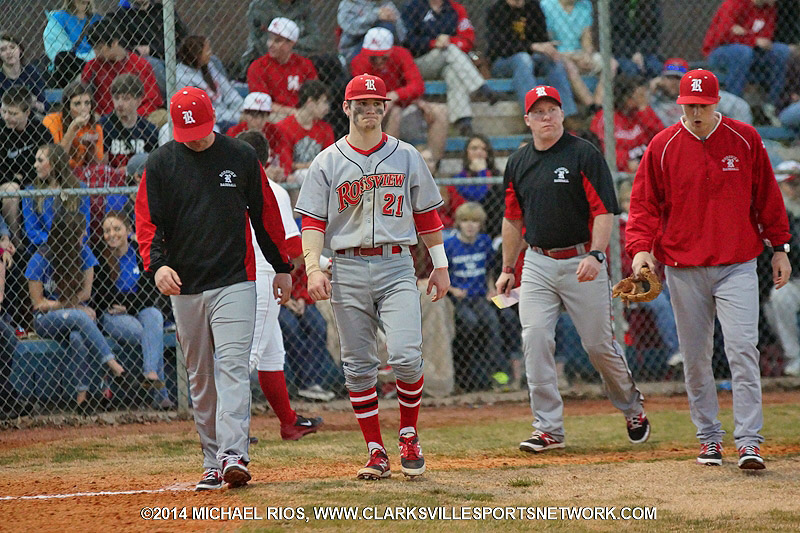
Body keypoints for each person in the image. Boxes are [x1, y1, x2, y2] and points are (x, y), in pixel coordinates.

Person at [625, 69, 791, 470]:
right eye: (689, 105)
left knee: (742, 350)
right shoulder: (662, 146)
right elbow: (644, 206)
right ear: (680, 104)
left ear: (716, 102)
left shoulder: (745, 138)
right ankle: (710, 439)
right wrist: (640, 250)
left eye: (702, 104)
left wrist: (780, 247)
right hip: (683, 266)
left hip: (737, 263)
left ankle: (749, 441)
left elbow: (768, 196)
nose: (695, 111)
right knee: (696, 357)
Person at [135, 86, 292, 491]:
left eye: (202, 130)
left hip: (234, 279)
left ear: (214, 121)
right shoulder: (162, 162)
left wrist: (282, 267)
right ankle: (210, 460)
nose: (197, 139)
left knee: (233, 367)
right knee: (201, 376)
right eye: (189, 133)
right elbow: (148, 222)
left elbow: (266, 215)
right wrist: (157, 266)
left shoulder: (240, 156)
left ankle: (233, 454)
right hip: (185, 285)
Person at [296, 74, 450, 479]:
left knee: (404, 355)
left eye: (375, 103)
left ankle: (409, 434)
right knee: (359, 365)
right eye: (361, 103)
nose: (369, 110)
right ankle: (375, 450)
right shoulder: (327, 160)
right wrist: (313, 268)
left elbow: (427, 215)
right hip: (345, 264)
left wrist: (440, 263)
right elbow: (311, 222)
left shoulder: (406, 155)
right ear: (346, 108)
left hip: (397, 263)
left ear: (385, 108)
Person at [495, 85, 650, 454]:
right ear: (527, 120)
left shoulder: (583, 153)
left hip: (582, 259)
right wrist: (507, 268)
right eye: (538, 111)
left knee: (598, 346)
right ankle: (548, 428)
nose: (546, 117)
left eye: (552, 110)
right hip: (537, 261)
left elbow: (603, 210)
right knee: (534, 339)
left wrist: (596, 255)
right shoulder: (518, 162)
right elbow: (513, 219)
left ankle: (632, 408)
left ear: (562, 114)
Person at [235, 130, 325, 440]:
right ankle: (229, 432)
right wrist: (323, 264)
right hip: (263, 277)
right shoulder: (271, 188)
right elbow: (291, 246)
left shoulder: (228, 186)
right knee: (246, 358)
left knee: (272, 354)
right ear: (267, 158)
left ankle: (289, 422)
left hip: (238, 275)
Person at [25, 210, 126, 412]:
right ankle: (113, 364)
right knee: (81, 316)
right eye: (80, 234)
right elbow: (38, 304)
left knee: (77, 337)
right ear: (68, 235)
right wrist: (70, 306)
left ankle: (82, 401)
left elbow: (86, 293)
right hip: (45, 320)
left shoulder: (84, 253)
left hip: (72, 317)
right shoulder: (41, 257)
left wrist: (68, 306)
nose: (84, 238)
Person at [94, 211, 172, 409]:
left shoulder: (139, 252)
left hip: (136, 309)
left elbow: (149, 292)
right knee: (148, 335)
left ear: (128, 230)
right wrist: (129, 302)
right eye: (107, 231)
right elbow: (104, 298)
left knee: (154, 316)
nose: (112, 234)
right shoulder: (100, 257)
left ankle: (150, 373)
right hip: (112, 316)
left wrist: (128, 305)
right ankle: (161, 396)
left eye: (117, 229)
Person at [401, 0, 499, 136]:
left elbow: (466, 39)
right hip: (419, 63)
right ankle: (480, 87)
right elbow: (406, 41)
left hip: (446, 61)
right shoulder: (413, 8)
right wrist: (432, 43)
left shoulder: (453, 9)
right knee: (450, 50)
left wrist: (447, 41)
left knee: (453, 71)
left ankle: (463, 121)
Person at [350, 27, 448, 162]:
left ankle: (432, 166)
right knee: (395, 111)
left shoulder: (401, 54)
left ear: (390, 51)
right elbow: (365, 95)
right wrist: (393, 99)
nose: (378, 62)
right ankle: (385, 167)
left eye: (383, 58)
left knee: (440, 111)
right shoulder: (359, 61)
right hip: (375, 113)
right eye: (374, 58)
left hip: (404, 107)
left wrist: (395, 96)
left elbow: (417, 85)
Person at [444, 202, 505, 391]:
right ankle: (466, 375)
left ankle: (493, 372)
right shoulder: (450, 245)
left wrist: (491, 289)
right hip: (459, 298)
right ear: (458, 223)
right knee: (469, 322)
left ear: (481, 225)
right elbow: (441, 273)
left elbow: (489, 270)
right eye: (465, 221)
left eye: (475, 222)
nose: (470, 226)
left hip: (479, 296)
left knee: (492, 321)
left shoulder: (485, 242)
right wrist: (453, 290)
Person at [485, 0, 578, 117]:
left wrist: (547, 47)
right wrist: (532, 46)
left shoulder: (533, 7)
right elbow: (501, 47)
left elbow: (541, 38)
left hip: (532, 58)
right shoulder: (496, 10)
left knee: (552, 59)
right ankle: (533, 115)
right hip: (503, 62)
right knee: (523, 59)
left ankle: (567, 114)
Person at [703, 0, 790, 112]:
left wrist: (745, 35)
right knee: (743, 52)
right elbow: (723, 36)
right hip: (719, 52)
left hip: (752, 51)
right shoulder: (735, 3)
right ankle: (734, 105)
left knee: (782, 50)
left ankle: (772, 105)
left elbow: (767, 37)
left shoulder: (769, 8)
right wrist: (753, 39)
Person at [0, 87, 53, 245]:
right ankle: (17, 244)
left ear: (27, 113)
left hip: (34, 180)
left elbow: (50, 162)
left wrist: (22, 177)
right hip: (7, 184)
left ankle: (47, 241)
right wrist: (16, 178)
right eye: (4, 111)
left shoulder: (40, 131)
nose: (7, 117)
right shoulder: (1, 130)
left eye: (14, 114)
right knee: (12, 191)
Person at [761, 161, 800, 377]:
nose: (796, 189)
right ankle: (795, 357)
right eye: (791, 184)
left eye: (798, 184)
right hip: (793, 280)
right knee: (777, 299)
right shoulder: (777, 214)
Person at [82, 19, 164, 121]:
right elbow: (83, 98)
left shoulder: (140, 64)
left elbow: (152, 100)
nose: (96, 53)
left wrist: (133, 117)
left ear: (114, 43)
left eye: (99, 48)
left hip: (138, 117)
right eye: (94, 48)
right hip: (105, 120)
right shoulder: (92, 66)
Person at [246, 17, 318, 123]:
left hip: (302, 114)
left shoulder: (305, 64)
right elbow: (261, 104)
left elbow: (315, 94)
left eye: (277, 41)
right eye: (270, 39)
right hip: (273, 115)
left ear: (291, 43)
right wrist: (294, 112)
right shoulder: (258, 66)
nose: (270, 44)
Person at [590, 75, 664, 173]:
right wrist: (625, 163)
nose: (642, 99)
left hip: (648, 161)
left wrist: (644, 110)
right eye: (639, 95)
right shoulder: (605, 117)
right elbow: (602, 148)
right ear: (626, 97)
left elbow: (661, 135)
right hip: (621, 169)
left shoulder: (643, 113)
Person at [650, 58, 754, 127]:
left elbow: (741, 107)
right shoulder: (654, 99)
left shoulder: (700, 95)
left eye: (678, 78)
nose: (674, 83)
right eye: (669, 78)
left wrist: (739, 134)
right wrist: (650, 91)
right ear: (662, 80)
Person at [22, 143, 90, 247]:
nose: (35, 165)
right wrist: (56, 242)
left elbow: (85, 225)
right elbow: (32, 231)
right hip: (45, 246)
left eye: (40, 160)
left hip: (75, 245)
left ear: (54, 163)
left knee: (89, 258)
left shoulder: (80, 188)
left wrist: (70, 242)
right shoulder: (30, 192)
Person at [175, 36, 244, 130]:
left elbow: (230, 92)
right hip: (211, 121)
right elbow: (203, 113)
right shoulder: (182, 77)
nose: (210, 53)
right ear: (196, 54)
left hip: (227, 113)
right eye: (207, 50)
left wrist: (245, 110)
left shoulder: (209, 66)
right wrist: (237, 117)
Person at [276, 80, 334, 182]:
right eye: (324, 102)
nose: (327, 108)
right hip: (295, 177)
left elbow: (330, 162)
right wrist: (310, 165)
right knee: (300, 175)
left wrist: (302, 166)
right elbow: (287, 165)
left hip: (318, 174)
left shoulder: (326, 129)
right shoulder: (284, 127)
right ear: (310, 103)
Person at [226, 92, 292, 180]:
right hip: (244, 178)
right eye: (253, 115)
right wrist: (262, 173)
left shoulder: (274, 131)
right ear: (245, 114)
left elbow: (285, 155)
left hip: (272, 175)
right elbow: (230, 162)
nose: (258, 121)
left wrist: (283, 172)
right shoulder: (234, 132)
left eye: (263, 116)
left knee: (292, 179)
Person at [99, 73, 158, 170]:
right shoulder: (103, 126)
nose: (120, 104)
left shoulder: (149, 131)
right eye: (116, 98)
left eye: (126, 98)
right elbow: (101, 166)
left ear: (138, 100)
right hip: (111, 181)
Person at [43, 80, 103, 169]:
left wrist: (91, 148)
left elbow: (96, 166)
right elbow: (56, 161)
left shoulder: (95, 128)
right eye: (77, 104)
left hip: (81, 174)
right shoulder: (51, 120)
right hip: (58, 173)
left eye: (87, 103)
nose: (83, 108)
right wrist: (73, 129)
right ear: (67, 107)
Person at [42, 0, 103, 86]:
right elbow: (58, 51)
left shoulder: (98, 19)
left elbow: (105, 48)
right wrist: (89, 58)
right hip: (72, 66)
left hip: (96, 63)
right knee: (64, 58)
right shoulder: (59, 18)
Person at [338, 0, 407, 64]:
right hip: (355, 47)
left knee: (386, 26)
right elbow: (349, 27)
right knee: (381, 27)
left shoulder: (385, 3)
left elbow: (402, 34)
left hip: (386, 50)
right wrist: (376, 15)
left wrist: (393, 21)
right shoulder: (349, 3)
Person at [610, 0, 663, 79]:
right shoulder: (615, 4)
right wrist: (631, 54)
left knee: (656, 67)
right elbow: (615, 37)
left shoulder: (652, 4)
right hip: (621, 52)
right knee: (630, 69)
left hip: (645, 51)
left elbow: (654, 36)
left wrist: (641, 52)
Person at [0, 33, 46, 114]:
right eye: (3, 50)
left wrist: (33, 103)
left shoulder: (31, 72)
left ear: (20, 49)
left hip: (30, 118)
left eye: (12, 47)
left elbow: (44, 106)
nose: (9, 52)